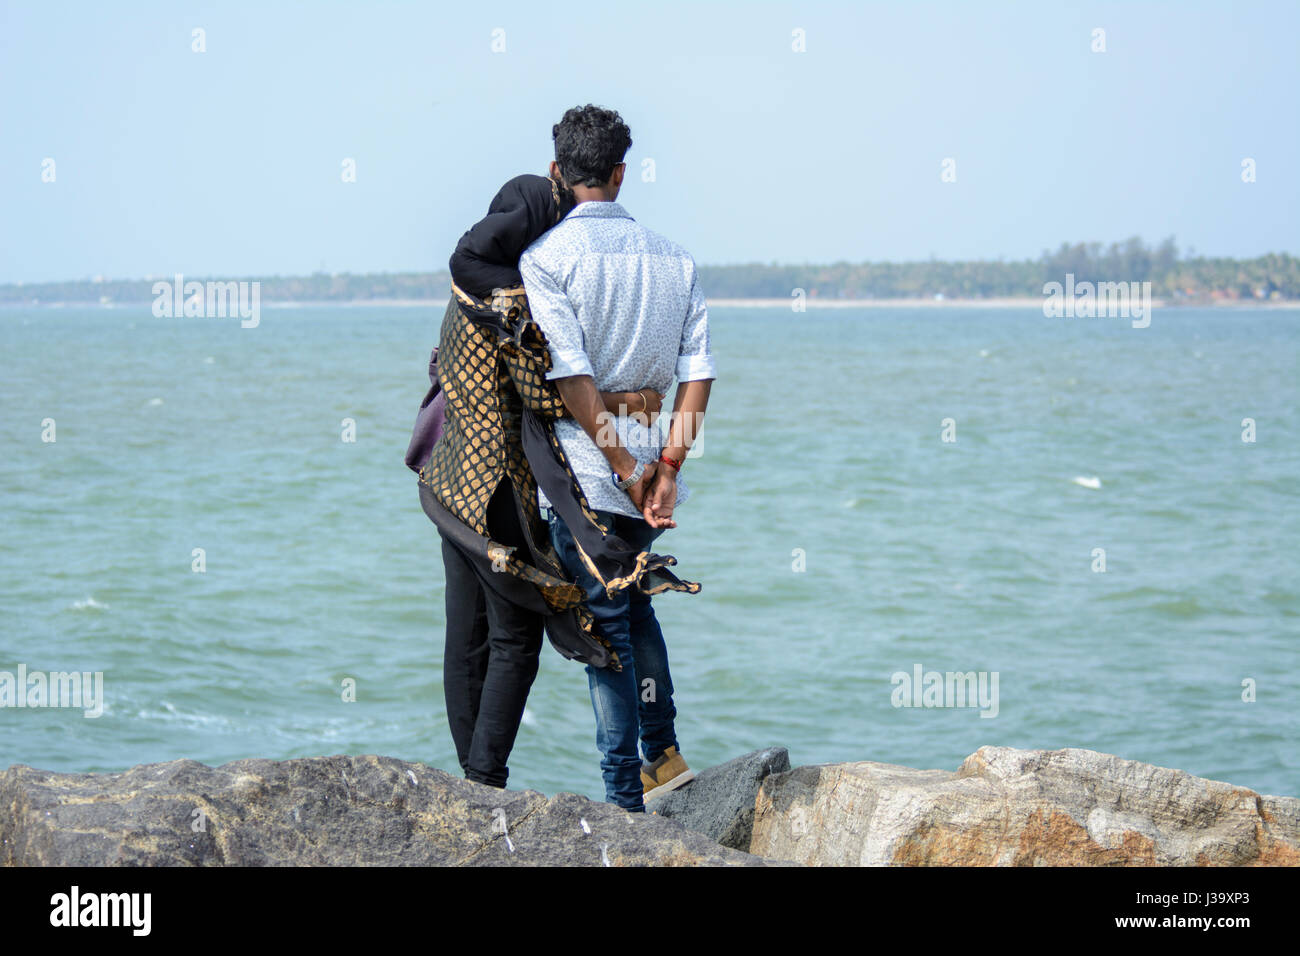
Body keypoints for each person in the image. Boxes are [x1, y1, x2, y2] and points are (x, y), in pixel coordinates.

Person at [416, 171, 697, 790]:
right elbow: (551, 395)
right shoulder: (511, 307)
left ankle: (475, 782)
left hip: (449, 484)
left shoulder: (466, 301)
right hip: (495, 495)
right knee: (526, 634)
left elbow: (553, 387)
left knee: (467, 636)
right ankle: (491, 782)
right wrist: (636, 399)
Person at [520, 104, 716, 812]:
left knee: (606, 631)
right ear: (620, 173)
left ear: (557, 173)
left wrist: (631, 476)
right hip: (649, 468)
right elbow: (698, 376)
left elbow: (571, 380)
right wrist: (667, 466)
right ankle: (662, 755)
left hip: (587, 475)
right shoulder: (675, 258)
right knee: (636, 612)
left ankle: (619, 802)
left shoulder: (545, 260)